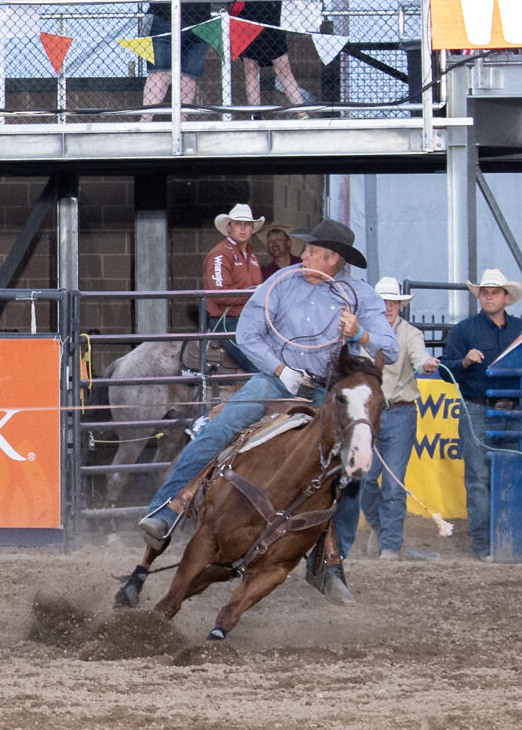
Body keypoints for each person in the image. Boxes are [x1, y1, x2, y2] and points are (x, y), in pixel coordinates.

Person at [137, 219, 400, 601]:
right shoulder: (280, 284)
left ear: (333, 259)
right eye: (305, 249)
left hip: (329, 392)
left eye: (311, 251)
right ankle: (165, 510)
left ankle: (329, 563)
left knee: (350, 472)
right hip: (277, 380)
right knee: (220, 429)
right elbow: (248, 334)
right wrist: (280, 369)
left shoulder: (361, 296)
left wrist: (360, 333)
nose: (302, 255)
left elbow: (389, 350)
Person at [341, 276, 438, 560]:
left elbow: (420, 358)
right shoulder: (360, 335)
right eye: (384, 302)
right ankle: (383, 531)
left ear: (399, 305)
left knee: (393, 482)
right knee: (366, 479)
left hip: (399, 412)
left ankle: (390, 545)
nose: (388, 307)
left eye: (393, 302)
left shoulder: (410, 334)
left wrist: (427, 364)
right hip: (366, 415)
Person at [444, 268, 522, 559]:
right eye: (484, 292)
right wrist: (465, 362)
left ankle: (508, 541)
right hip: (477, 407)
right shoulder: (464, 330)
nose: (488, 297)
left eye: (494, 292)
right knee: (478, 478)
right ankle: (484, 543)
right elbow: (447, 371)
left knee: (511, 475)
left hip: (513, 409)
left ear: (506, 297)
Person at [202, 203, 266, 371]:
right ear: (229, 227)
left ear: (252, 228)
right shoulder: (220, 254)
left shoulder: (252, 257)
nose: (243, 228)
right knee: (259, 364)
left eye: (247, 224)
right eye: (238, 224)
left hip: (250, 321)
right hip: (227, 322)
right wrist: (252, 293)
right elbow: (219, 294)